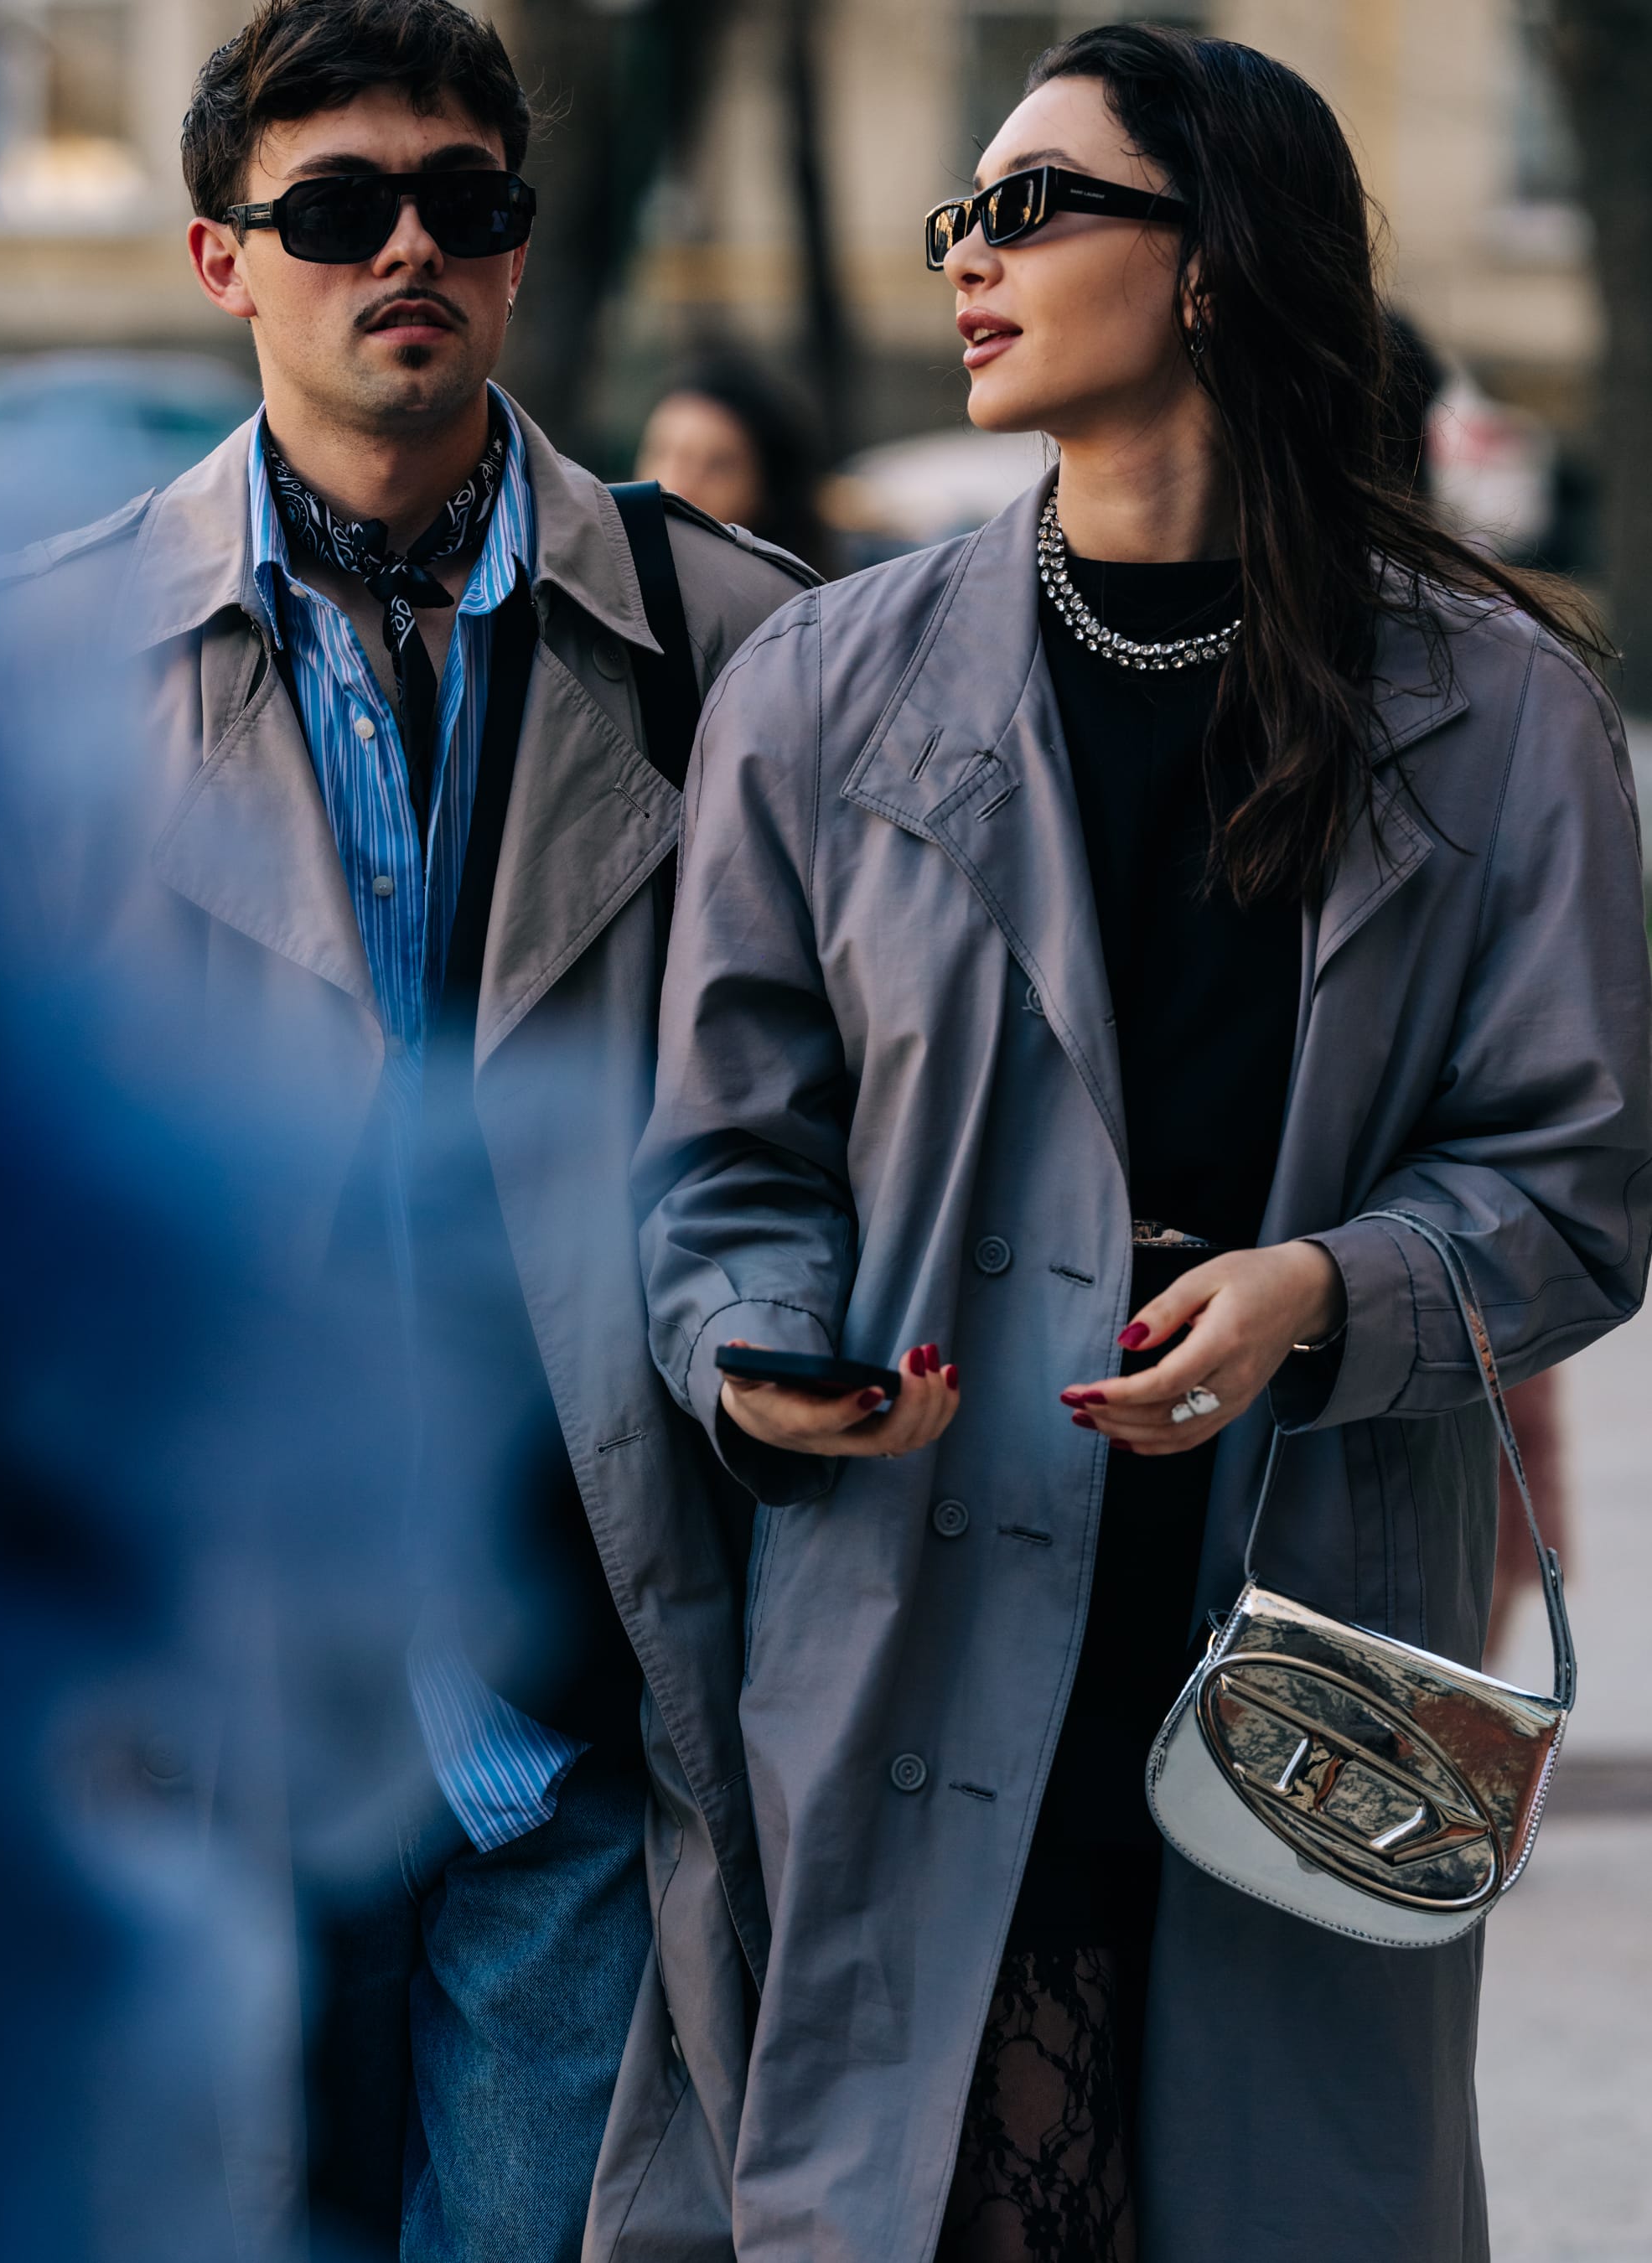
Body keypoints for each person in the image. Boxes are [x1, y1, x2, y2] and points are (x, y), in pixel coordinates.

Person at [628, 24, 1651, 2263]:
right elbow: (721, 1160)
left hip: (1290, 1674)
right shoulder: (820, 688)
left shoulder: (1493, 712)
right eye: (956, 217)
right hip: (911, 1636)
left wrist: (1327, 1291)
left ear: (1208, 265)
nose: (965, 261)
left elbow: (1574, 1187)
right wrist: (764, 1343)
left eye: (1029, 207)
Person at [0, 4, 814, 2259]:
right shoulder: (34, 678)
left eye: (466, 201)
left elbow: (830, 1113)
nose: (404, 248)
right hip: (204, 1678)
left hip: (587, 1659)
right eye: (335, 210)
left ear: (520, 250)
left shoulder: (745, 650)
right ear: (221, 257)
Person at [635, 350, 838, 576]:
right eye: (663, 452)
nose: (680, 483)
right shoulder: (606, 582)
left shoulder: (800, 604)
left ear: (767, 492)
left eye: (718, 465)